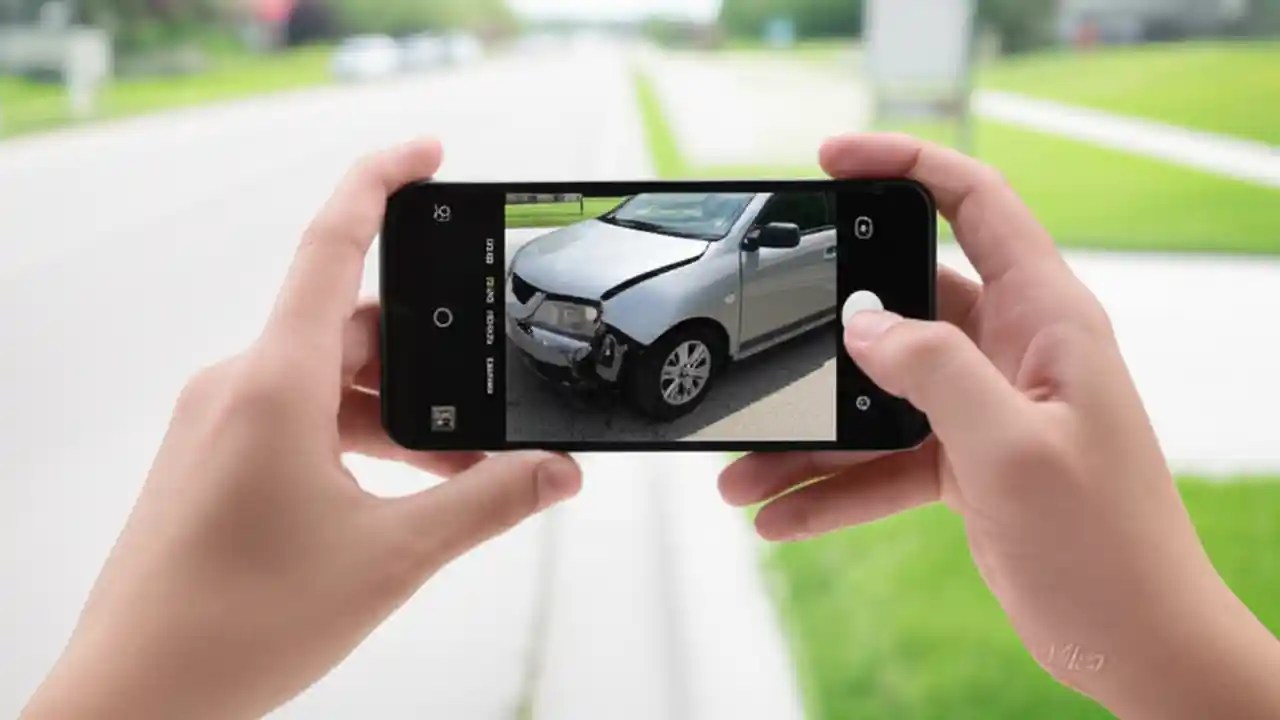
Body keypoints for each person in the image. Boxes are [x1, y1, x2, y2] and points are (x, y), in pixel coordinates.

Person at [21, 135, 1280, 719]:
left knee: (634, 360)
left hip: (694, 293)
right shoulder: (602, 241)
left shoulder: (730, 264)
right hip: (623, 283)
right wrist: (1152, 655)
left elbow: (645, 328)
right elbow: (559, 283)